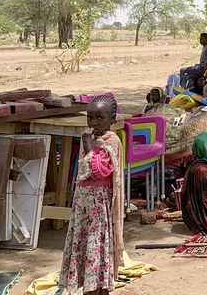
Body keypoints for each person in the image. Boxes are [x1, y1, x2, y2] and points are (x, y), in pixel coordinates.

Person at [59, 95, 124, 295]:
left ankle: (96, 286)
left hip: (100, 204)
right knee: (84, 243)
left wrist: (88, 145)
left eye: (100, 118)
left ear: (112, 119)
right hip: (84, 202)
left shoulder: (111, 141)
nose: (94, 123)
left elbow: (98, 170)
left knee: (97, 243)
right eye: (90, 118)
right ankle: (91, 286)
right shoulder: (91, 138)